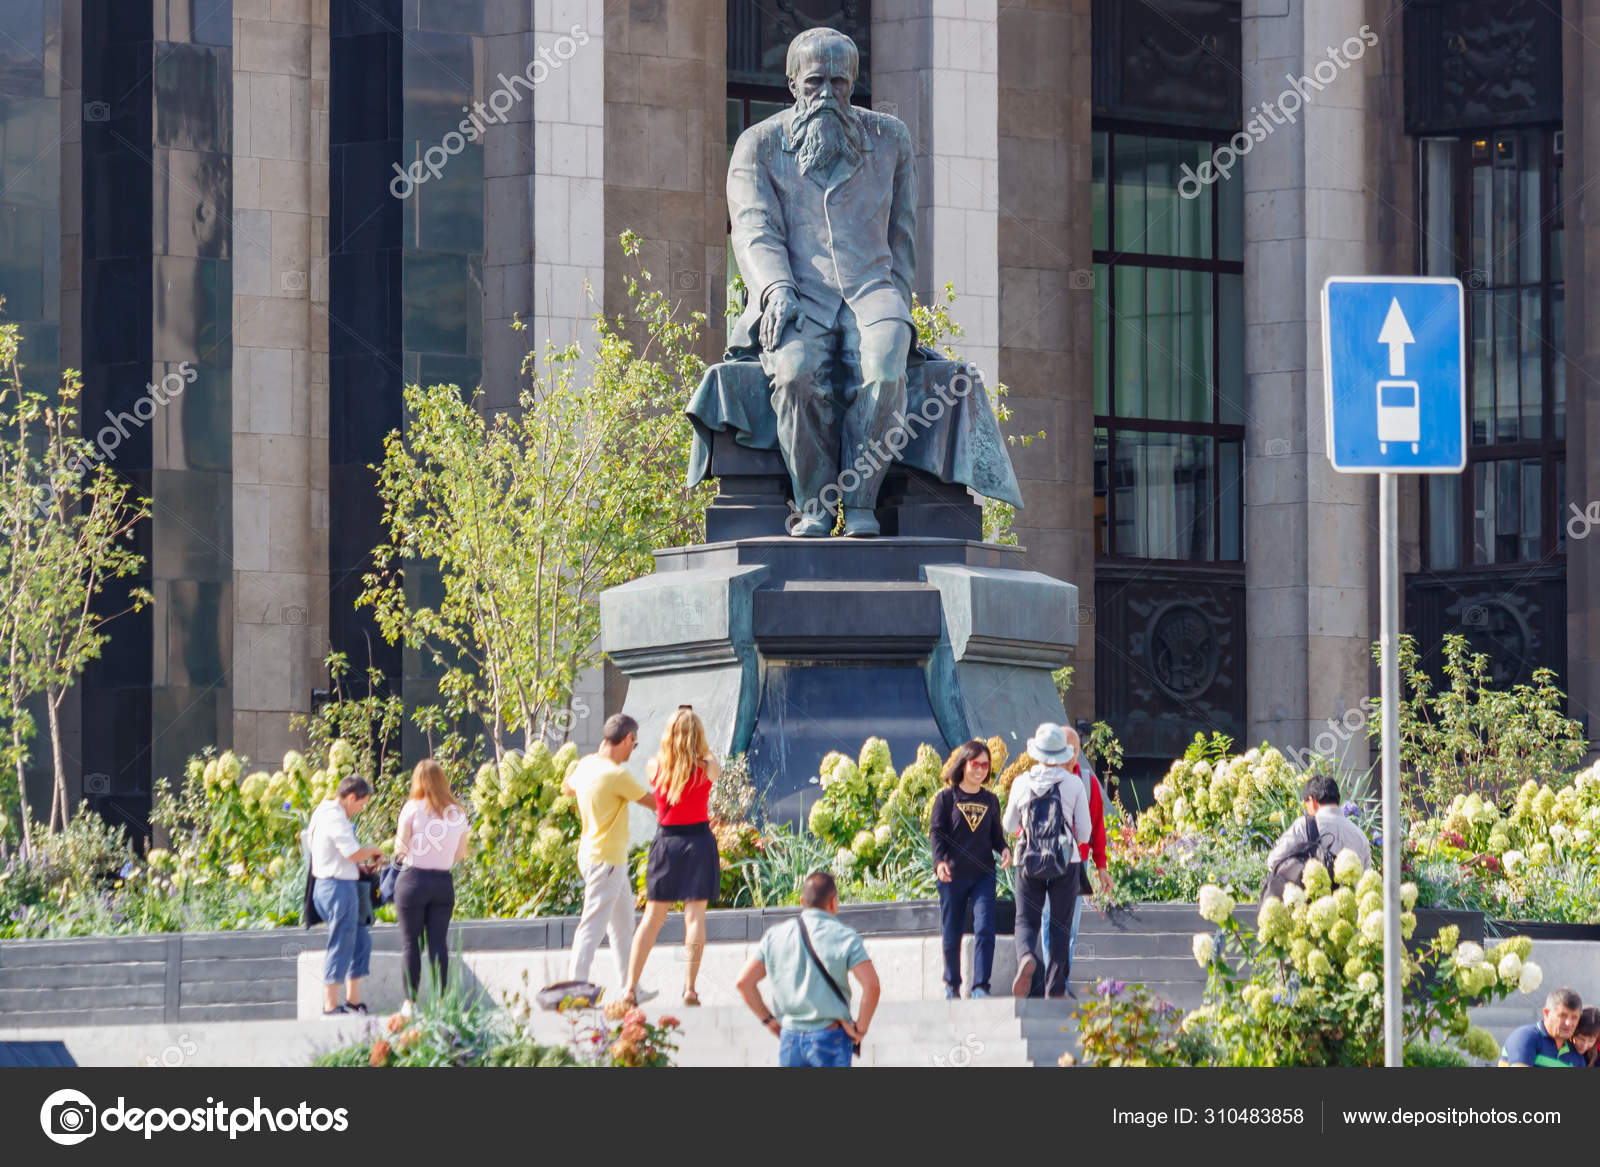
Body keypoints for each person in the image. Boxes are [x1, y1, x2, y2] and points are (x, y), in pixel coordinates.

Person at [725, 26, 917, 537]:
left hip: (870, 292)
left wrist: (899, 305)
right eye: (815, 83)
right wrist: (775, 291)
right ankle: (812, 506)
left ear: (854, 83)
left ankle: (859, 505)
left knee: (884, 369)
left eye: (840, 82)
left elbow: (903, 237)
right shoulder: (758, 146)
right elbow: (753, 230)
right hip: (796, 293)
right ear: (792, 85)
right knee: (794, 372)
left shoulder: (891, 139)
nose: (828, 95)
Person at [623, 707, 722, 1007]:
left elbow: (663, 772)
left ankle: (629, 988)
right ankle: (689, 989)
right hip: (699, 843)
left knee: (652, 919)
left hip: (667, 842)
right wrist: (697, 743)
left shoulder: (655, 766)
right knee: (695, 919)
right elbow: (710, 758)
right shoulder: (708, 766)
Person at [735, 871, 881, 1067]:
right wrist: (860, 1029)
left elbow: (743, 982)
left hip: (790, 1038)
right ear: (833, 902)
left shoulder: (775, 936)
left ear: (802, 901)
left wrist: (768, 1020)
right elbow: (872, 986)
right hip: (830, 1037)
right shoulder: (845, 936)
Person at [564, 713, 659, 1003]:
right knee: (592, 925)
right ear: (627, 738)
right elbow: (653, 802)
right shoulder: (616, 774)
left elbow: (567, 787)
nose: (634, 749)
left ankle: (631, 988)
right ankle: (575, 988)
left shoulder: (586, 765)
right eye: (635, 743)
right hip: (606, 860)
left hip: (594, 855)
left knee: (622, 926)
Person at [1002, 723, 1090, 999]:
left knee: (1026, 919)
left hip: (1028, 858)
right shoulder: (1074, 783)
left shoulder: (1020, 782)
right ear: (1063, 754)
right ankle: (1054, 988)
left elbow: (1009, 824)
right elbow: (1085, 832)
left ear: (1036, 752)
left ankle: (1027, 955)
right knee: (1060, 925)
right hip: (1067, 861)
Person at [929, 740, 1010, 999]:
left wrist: (1005, 849)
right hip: (952, 874)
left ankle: (980, 986)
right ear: (963, 764)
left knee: (985, 927)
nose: (980, 770)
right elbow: (937, 833)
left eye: (985, 766)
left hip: (983, 874)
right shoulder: (946, 798)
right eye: (975, 764)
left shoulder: (991, 800)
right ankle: (952, 984)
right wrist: (939, 861)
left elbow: (996, 836)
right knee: (952, 930)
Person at [392, 758, 471, 1017]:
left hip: (413, 881)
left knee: (410, 944)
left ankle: (410, 1003)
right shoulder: (457, 813)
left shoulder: (412, 808)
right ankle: (441, 1000)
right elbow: (460, 855)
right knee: (438, 943)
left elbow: (401, 849)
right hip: (442, 883)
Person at [305, 775, 385, 1018]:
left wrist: (358, 869)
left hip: (341, 884)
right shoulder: (334, 816)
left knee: (361, 940)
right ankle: (330, 1005)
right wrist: (374, 850)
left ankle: (353, 1001)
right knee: (341, 941)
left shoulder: (324, 812)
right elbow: (352, 852)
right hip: (336, 887)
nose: (361, 809)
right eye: (361, 804)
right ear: (351, 797)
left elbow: (336, 854)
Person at [1041, 723, 1111, 997]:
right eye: (1067, 749)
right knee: (1049, 921)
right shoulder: (1039, 779)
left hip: (1076, 864)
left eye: (1076, 750)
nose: (1072, 755)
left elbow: (1097, 827)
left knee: (1069, 927)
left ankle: (1061, 981)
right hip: (1046, 860)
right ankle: (1054, 983)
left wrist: (1101, 866)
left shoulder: (1087, 781)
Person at [1264, 773, 1372, 897]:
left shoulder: (1303, 826)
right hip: (1351, 912)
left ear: (1312, 801)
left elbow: (1273, 861)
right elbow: (1366, 878)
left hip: (1312, 909)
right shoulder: (1359, 835)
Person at [1501, 987, 1587, 1066]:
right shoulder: (1525, 1037)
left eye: (1574, 1018)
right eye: (1563, 1016)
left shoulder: (1577, 1056)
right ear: (1546, 1013)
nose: (1569, 1023)